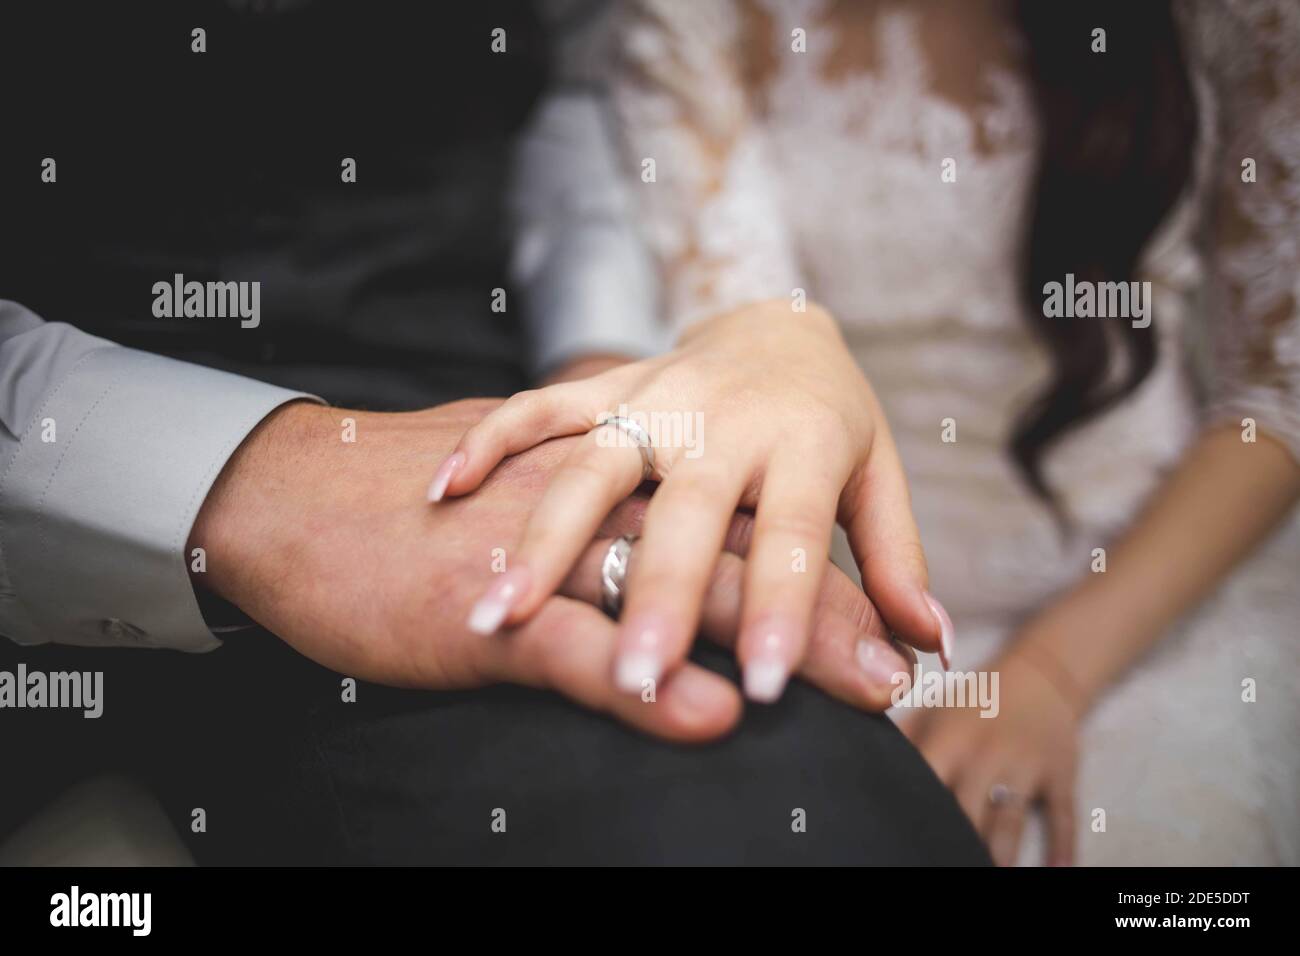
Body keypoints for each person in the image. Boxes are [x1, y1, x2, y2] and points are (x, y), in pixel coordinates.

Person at [0, 0, 987, 864]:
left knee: (770, 775)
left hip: (479, 426)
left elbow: (563, 83)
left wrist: (603, 375)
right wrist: (254, 482)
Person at [452, 0, 1300, 865]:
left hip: (1151, 590)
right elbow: (748, 343)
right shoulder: (701, 16)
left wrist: (1054, 671)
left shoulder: (1242, 21)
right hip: (827, 584)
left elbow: (1278, 394)